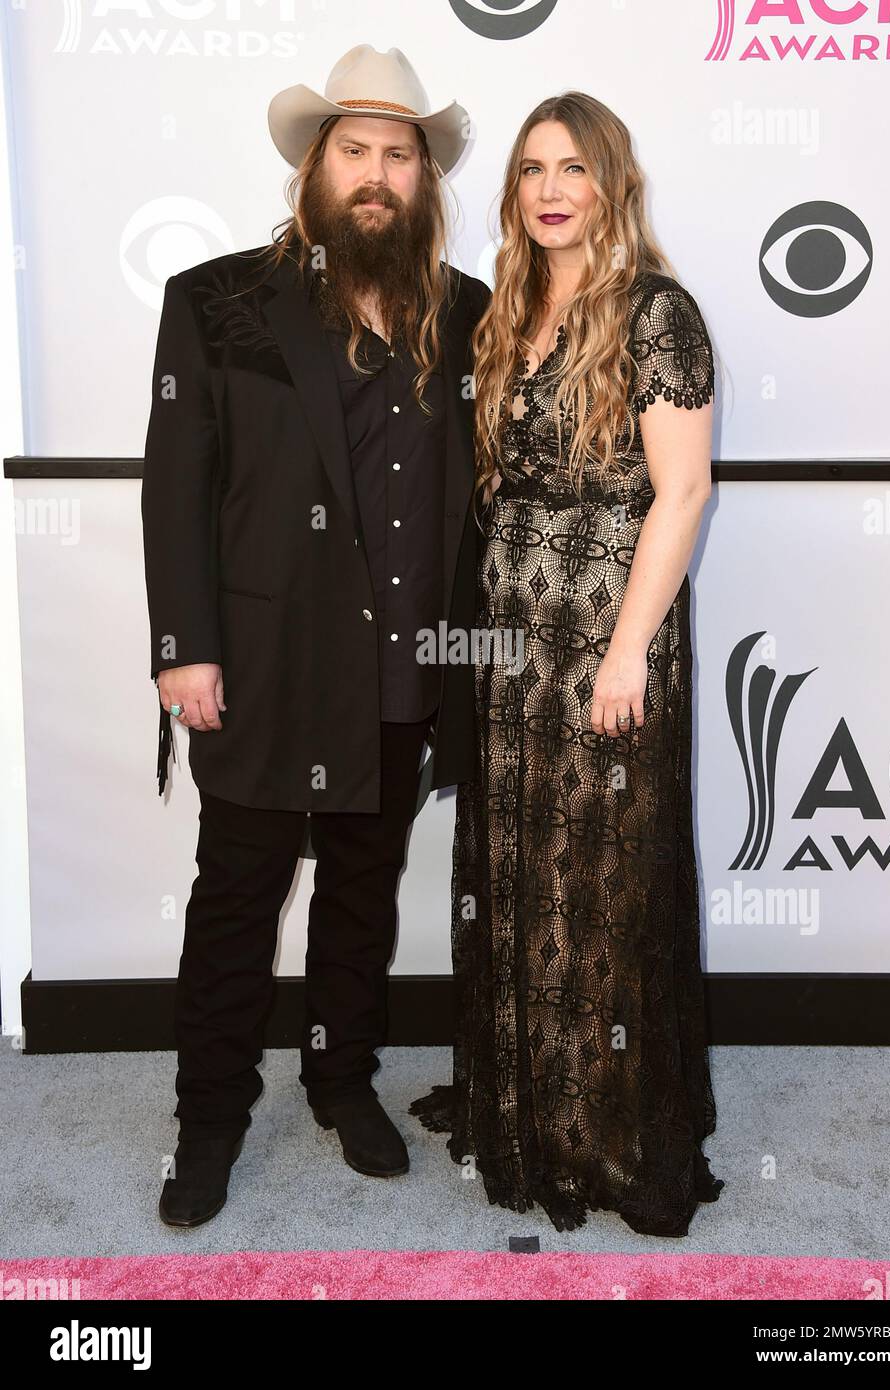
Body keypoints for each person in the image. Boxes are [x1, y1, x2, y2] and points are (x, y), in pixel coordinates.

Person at [141, 44, 489, 1227]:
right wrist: (183, 644)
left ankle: (341, 1079)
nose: (378, 173)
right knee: (235, 897)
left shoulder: (469, 316)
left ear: (424, 178)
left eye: (399, 153)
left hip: (402, 671)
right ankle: (209, 1118)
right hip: (260, 664)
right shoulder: (216, 300)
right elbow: (175, 487)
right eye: (356, 150)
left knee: (361, 890)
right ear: (313, 166)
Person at [410, 92, 725, 1235]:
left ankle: (603, 1130)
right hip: (509, 641)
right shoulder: (505, 312)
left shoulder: (654, 313)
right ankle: (531, 1105)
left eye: (572, 168)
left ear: (610, 185)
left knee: (602, 875)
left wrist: (628, 648)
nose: (549, 188)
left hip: (605, 632)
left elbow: (680, 491)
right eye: (532, 168)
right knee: (521, 862)